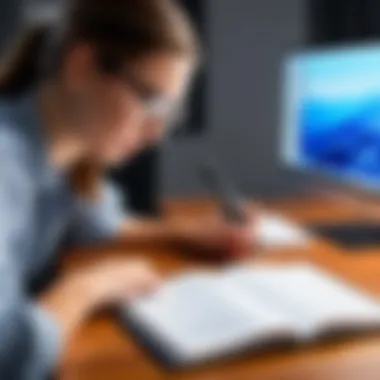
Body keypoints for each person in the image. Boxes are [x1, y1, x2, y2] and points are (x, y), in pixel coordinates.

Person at [0, 0, 255, 378]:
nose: (156, 132)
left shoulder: (69, 154)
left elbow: (100, 224)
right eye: (150, 101)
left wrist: (187, 232)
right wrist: (88, 287)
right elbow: (13, 355)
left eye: (168, 113)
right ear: (82, 66)